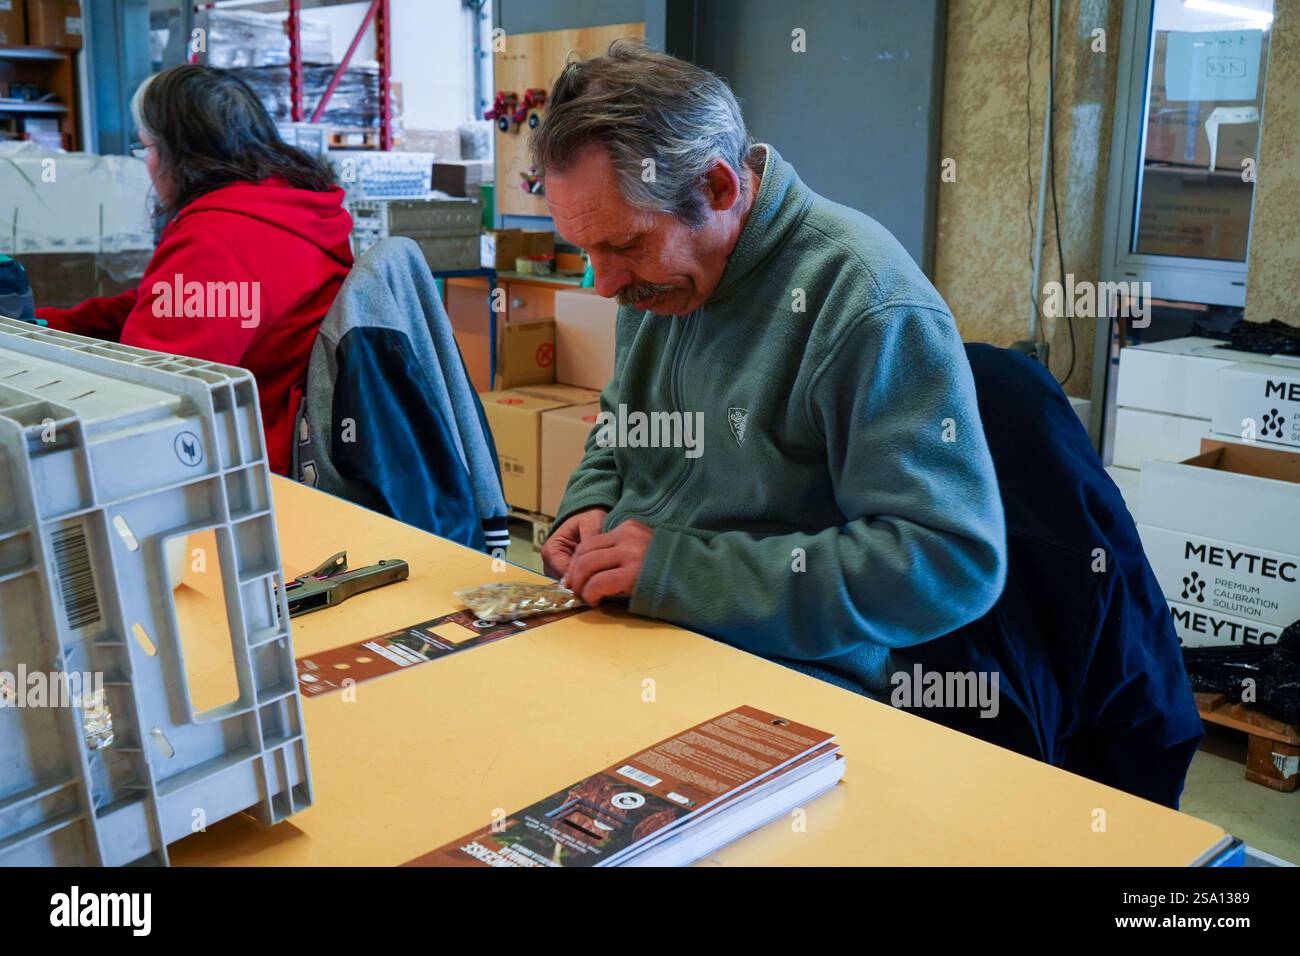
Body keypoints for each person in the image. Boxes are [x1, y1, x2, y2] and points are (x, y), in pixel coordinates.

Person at [535, 40, 1007, 696]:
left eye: (624, 245)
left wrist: (683, 573)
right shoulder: (659, 278)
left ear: (718, 187)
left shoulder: (864, 301)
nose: (605, 284)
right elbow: (625, 429)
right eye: (586, 249)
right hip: (637, 633)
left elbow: (949, 564)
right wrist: (591, 501)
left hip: (786, 681)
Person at [37, 65, 353, 475]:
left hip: (245, 466)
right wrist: (39, 325)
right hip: (288, 435)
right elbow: (168, 307)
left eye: (146, 149)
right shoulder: (292, 208)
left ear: (182, 156)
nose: (146, 165)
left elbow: (151, 390)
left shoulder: (217, 241)